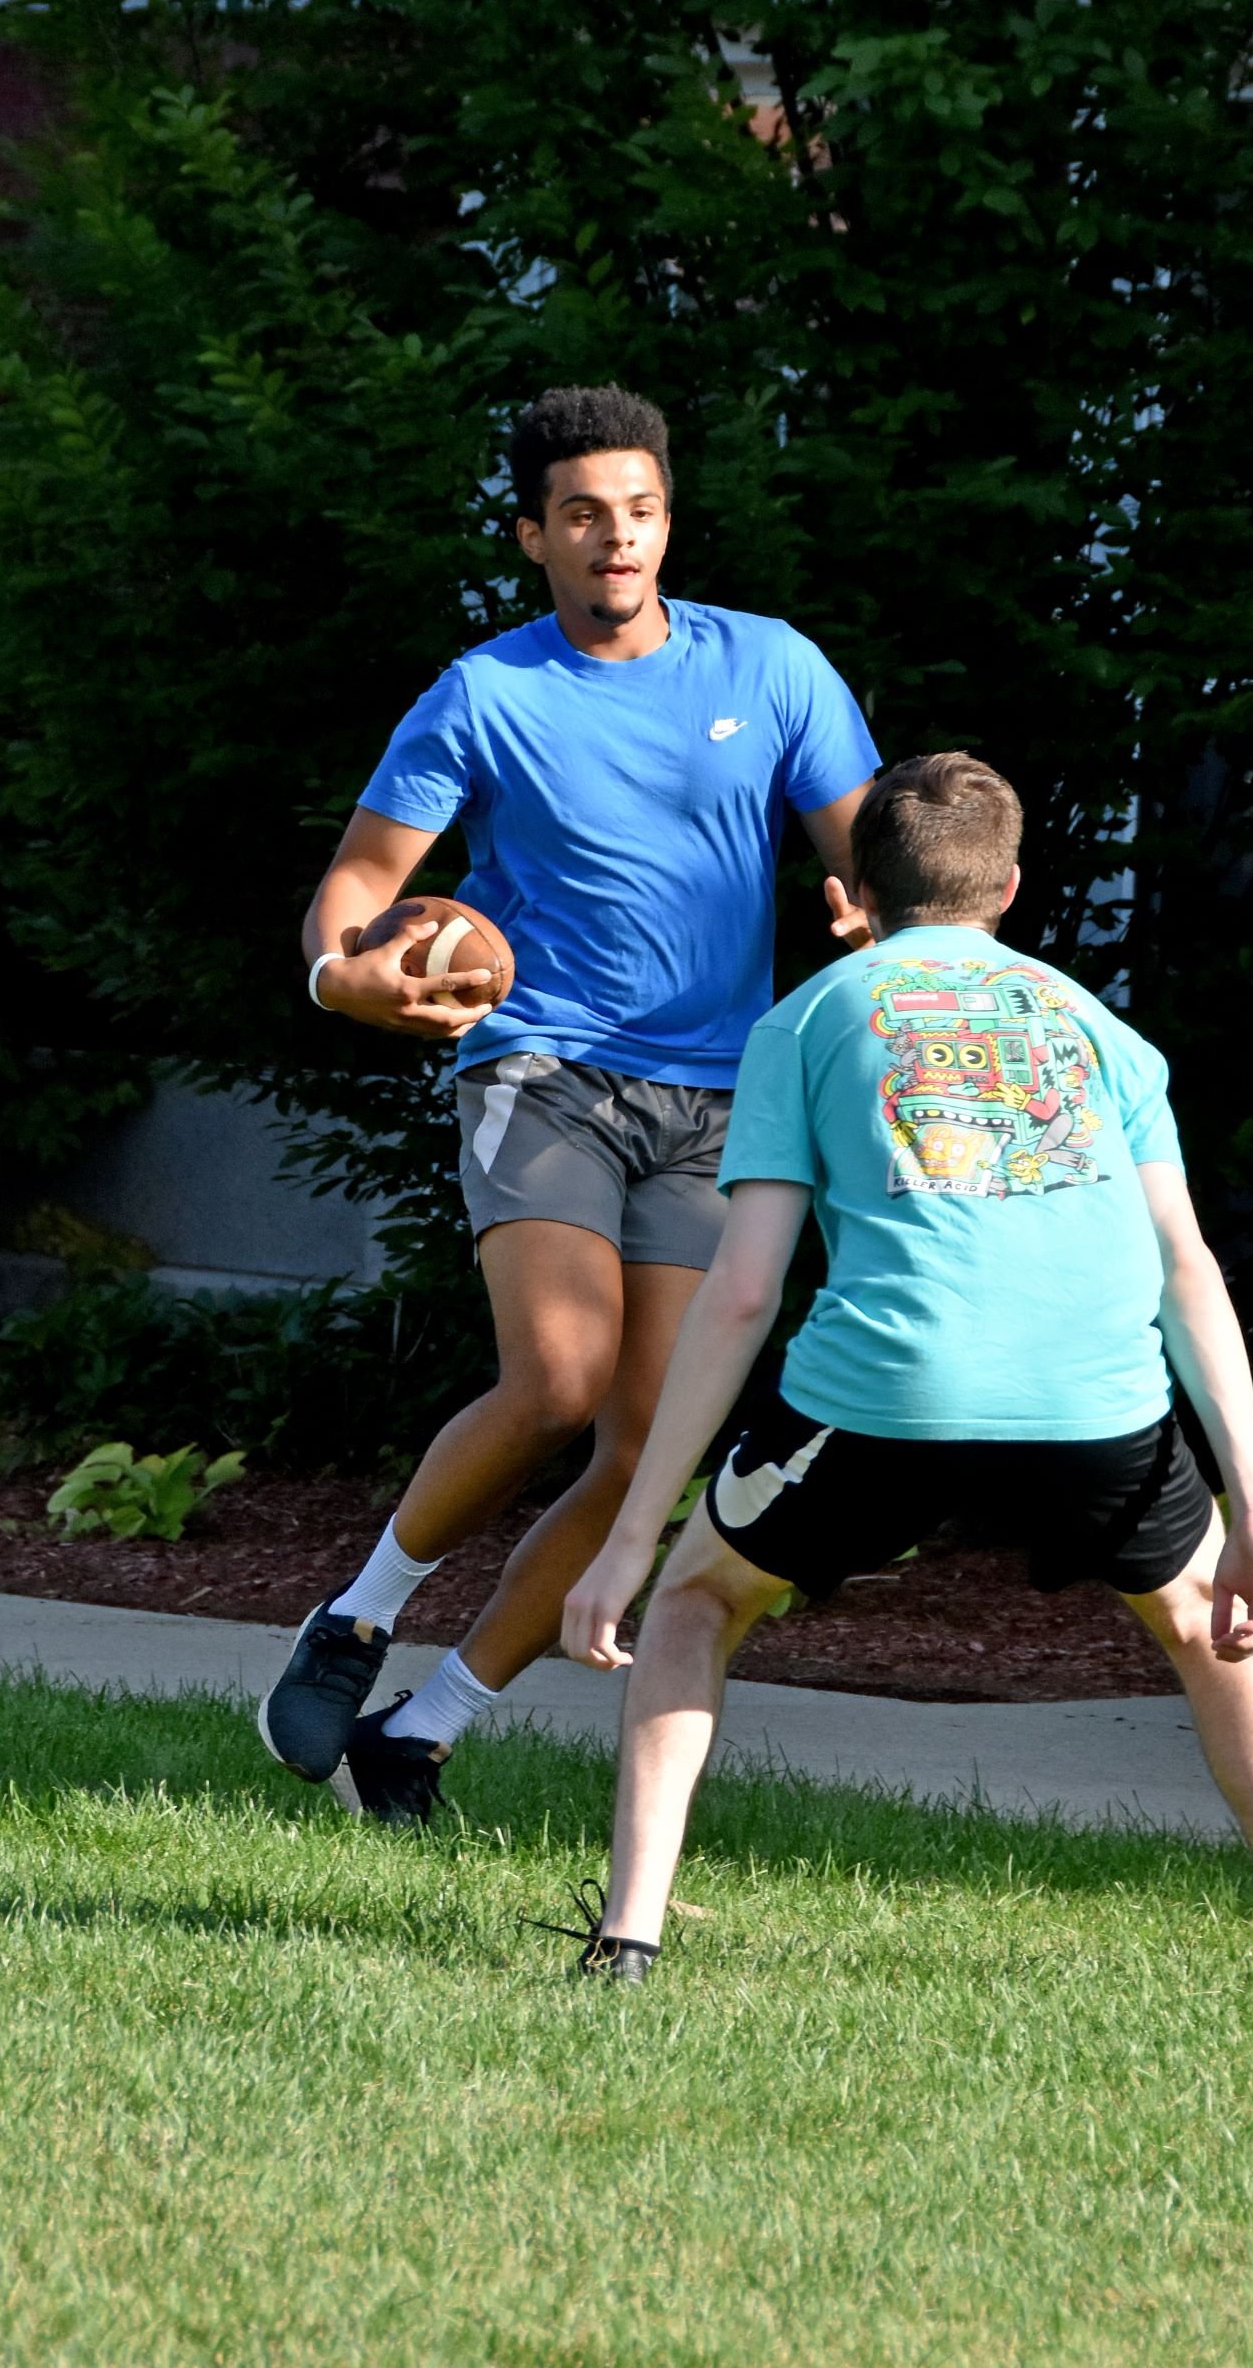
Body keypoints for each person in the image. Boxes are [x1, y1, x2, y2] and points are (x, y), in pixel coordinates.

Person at [554, 751, 1253, 2007]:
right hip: (1097, 1400)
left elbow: (741, 1291)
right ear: (1006, 889)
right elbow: (1184, 1269)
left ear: (855, 890)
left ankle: (628, 1941)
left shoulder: (809, 1021)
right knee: (1220, 1634)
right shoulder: (1100, 1028)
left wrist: (627, 1539)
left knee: (691, 1604)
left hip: (881, 1395)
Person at [258, 384, 879, 1817]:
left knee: (654, 1443)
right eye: (586, 515)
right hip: (539, 1066)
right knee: (556, 1376)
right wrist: (336, 976)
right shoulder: (490, 692)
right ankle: (358, 1615)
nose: (618, 538)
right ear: (535, 533)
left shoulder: (773, 670)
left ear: (669, 524)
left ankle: (424, 1725)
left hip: (718, 1098)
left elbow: (865, 847)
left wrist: (874, 914)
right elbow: (356, 886)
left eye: (642, 511)